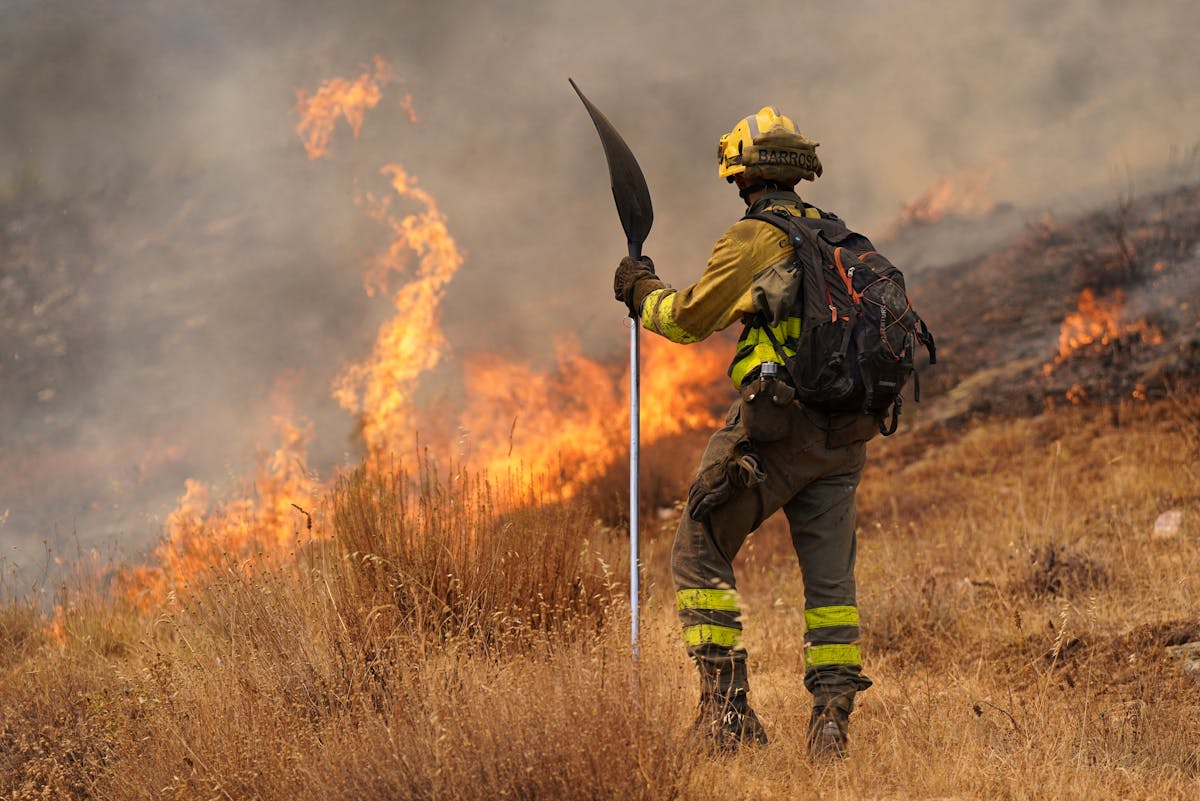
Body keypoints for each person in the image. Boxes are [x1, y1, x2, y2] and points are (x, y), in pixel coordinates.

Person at [613, 107, 883, 759]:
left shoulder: (755, 238)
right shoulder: (840, 236)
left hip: (776, 428)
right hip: (845, 436)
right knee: (830, 588)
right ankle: (831, 718)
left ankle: (726, 712)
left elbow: (688, 319)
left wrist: (639, 289)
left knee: (698, 547)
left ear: (744, 176)